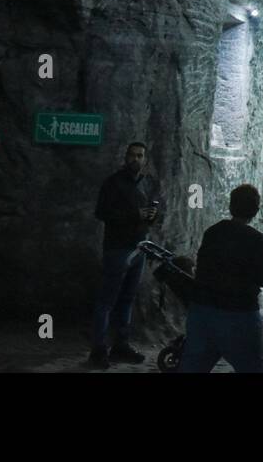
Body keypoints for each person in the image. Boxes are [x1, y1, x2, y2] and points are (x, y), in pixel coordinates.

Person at [180, 184, 263, 372]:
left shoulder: (212, 232)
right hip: (239, 314)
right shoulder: (255, 239)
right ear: (255, 210)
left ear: (231, 206)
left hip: (203, 311)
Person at [89, 142, 162, 369]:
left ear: (145, 159)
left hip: (139, 247)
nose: (135, 159)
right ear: (125, 157)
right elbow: (101, 212)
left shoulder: (147, 184)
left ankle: (121, 346)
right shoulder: (113, 183)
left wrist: (151, 216)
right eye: (132, 155)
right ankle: (98, 350)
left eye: (140, 156)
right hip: (117, 249)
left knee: (127, 299)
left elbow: (148, 215)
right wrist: (135, 213)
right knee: (107, 301)